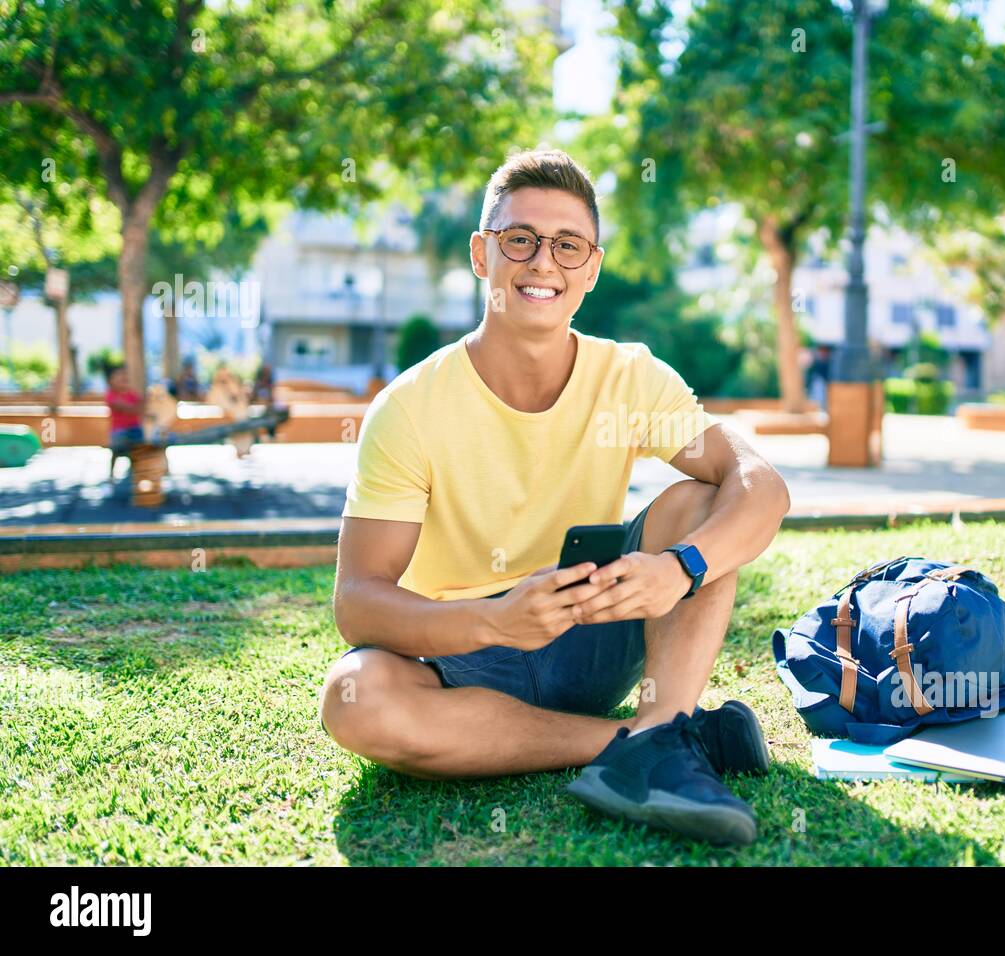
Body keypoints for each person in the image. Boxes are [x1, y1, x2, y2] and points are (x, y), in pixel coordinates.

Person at [318, 149, 791, 846]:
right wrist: (496, 622)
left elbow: (761, 485)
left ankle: (658, 739)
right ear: (483, 254)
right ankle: (652, 742)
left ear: (591, 269)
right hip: (461, 661)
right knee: (353, 700)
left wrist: (678, 568)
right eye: (521, 239)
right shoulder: (410, 406)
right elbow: (358, 602)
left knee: (697, 499)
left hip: (595, 637)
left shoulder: (627, 376)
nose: (543, 263)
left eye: (568, 245)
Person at [104, 363, 144, 474]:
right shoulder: (110, 395)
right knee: (117, 447)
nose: (123, 377)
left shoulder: (132, 393)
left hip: (135, 429)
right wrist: (134, 408)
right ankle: (112, 474)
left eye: (124, 375)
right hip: (119, 431)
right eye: (119, 375)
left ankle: (135, 471)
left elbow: (140, 407)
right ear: (111, 380)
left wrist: (135, 408)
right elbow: (129, 408)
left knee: (138, 446)